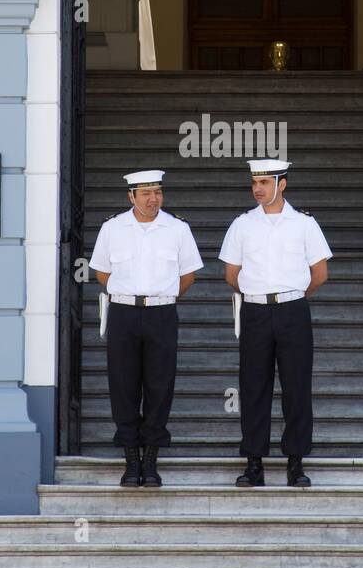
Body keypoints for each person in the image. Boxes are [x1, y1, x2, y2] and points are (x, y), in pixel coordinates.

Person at [218, 159, 331, 488]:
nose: (257, 188)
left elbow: (319, 274)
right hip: (254, 311)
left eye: (265, 182)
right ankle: (254, 463)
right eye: (255, 182)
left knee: (297, 387)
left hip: (293, 310)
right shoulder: (242, 225)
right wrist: (259, 295)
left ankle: (295, 463)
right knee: (253, 388)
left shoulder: (304, 225)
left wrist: (291, 294)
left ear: (282, 184)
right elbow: (231, 275)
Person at [89, 169, 202, 487]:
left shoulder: (177, 229)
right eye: (146, 193)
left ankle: (151, 460)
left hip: (162, 313)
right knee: (123, 386)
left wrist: (163, 294)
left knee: (159, 386)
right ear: (131, 197)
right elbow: (101, 272)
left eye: (157, 192)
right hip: (124, 312)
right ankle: (131, 460)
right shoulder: (112, 229)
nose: (153, 199)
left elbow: (188, 275)